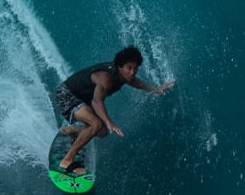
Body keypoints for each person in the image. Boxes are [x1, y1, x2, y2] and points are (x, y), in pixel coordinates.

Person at [51, 46, 172, 176]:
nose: (133, 72)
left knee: (102, 132)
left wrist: (155, 89)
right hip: (66, 94)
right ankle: (67, 161)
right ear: (120, 66)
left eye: (135, 68)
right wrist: (109, 122)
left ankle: (71, 131)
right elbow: (96, 102)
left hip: (82, 97)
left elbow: (135, 82)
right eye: (129, 68)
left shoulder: (124, 76)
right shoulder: (106, 78)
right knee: (96, 124)